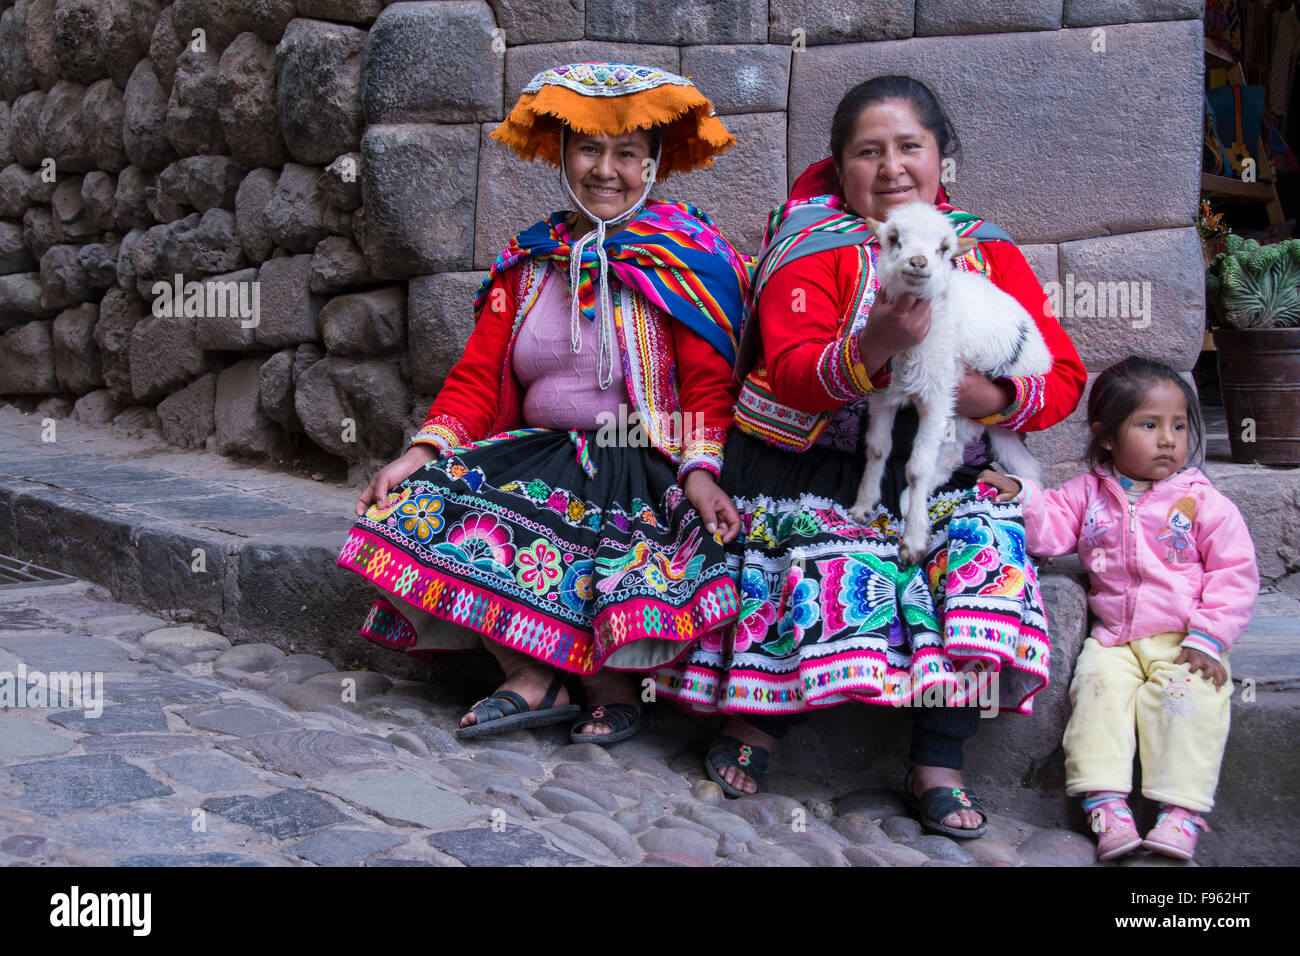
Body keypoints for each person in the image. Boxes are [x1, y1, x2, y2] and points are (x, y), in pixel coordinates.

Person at [653, 75, 1087, 838]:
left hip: (937, 464)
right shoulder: (811, 247)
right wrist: (879, 343)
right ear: (839, 166)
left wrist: (979, 395)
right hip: (810, 458)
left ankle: (939, 760)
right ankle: (757, 727)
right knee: (833, 552)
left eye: (908, 147)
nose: (890, 167)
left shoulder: (985, 251)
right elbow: (791, 372)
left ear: (941, 158)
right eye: (868, 152)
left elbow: (1063, 378)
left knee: (983, 545)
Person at [337, 63, 750, 744]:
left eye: (627, 154)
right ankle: (530, 673)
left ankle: (606, 684)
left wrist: (701, 471)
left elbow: (708, 387)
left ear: (654, 165)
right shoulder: (530, 262)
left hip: (637, 461)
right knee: (408, 507)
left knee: (609, 552)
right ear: (561, 154)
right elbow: (475, 377)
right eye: (589, 149)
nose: (605, 170)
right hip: (535, 453)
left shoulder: (687, 258)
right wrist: (419, 452)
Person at [979, 356, 1258, 861]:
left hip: (1183, 640)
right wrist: (1024, 495)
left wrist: (1210, 639)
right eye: (1149, 425)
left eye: (1178, 426)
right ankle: (1106, 803)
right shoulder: (1090, 494)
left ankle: (1180, 813)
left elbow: (1234, 575)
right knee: (1096, 694)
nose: (1169, 439)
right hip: (1113, 642)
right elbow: (1053, 531)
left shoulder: (1201, 503)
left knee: (1190, 700)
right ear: (1106, 436)